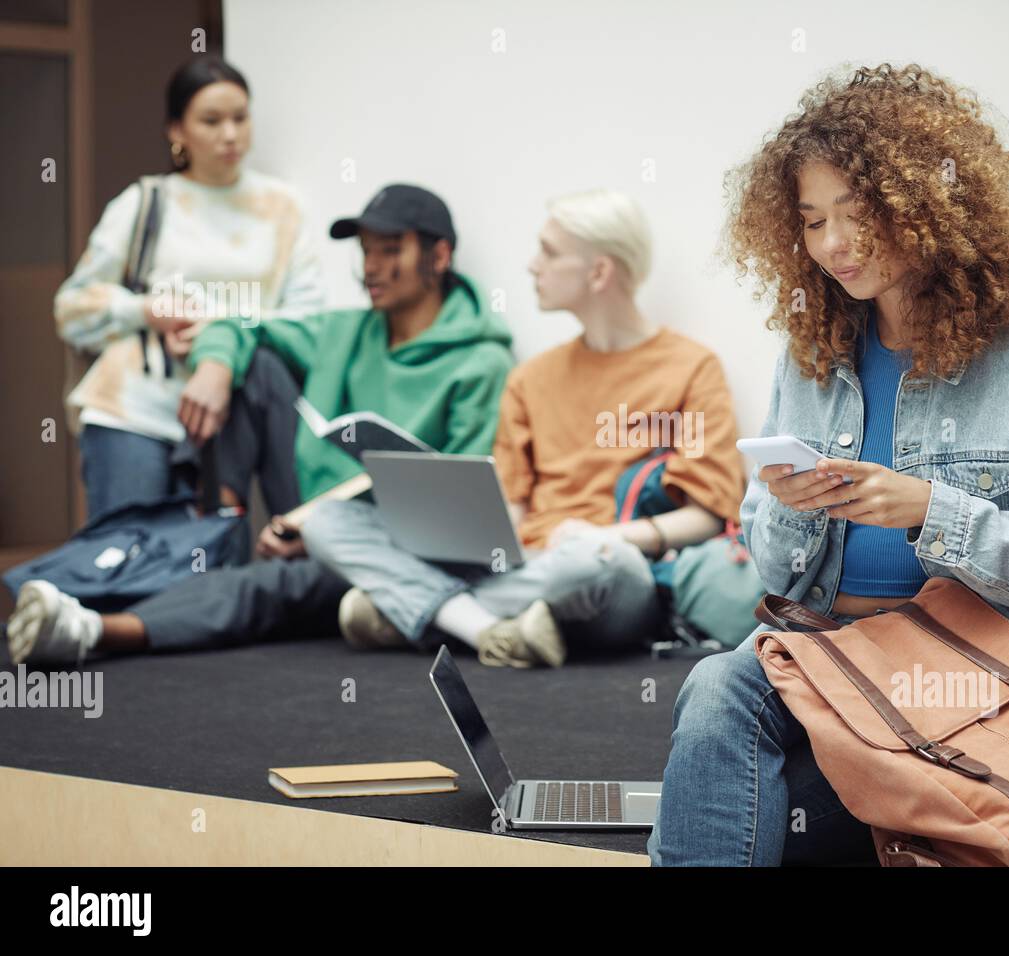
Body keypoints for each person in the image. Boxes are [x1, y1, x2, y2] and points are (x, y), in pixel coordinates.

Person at [647, 63, 1009, 866]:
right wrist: (790, 501)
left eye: (858, 214)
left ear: (931, 205)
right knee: (718, 686)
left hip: (976, 671)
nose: (833, 245)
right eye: (812, 221)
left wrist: (930, 509)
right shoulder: (809, 357)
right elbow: (773, 569)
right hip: (837, 656)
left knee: (774, 826)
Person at [8, 185, 513, 666]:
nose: (371, 268)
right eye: (365, 252)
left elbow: (459, 519)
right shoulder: (344, 330)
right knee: (257, 364)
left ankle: (92, 630)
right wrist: (215, 367)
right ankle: (220, 522)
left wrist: (322, 533)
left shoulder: (482, 363)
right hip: (306, 512)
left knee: (268, 587)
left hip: (385, 547)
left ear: (439, 257)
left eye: (388, 250)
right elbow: (239, 325)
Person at [300, 188, 746, 667]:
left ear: (599, 272)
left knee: (600, 564)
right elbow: (510, 510)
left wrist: (609, 536)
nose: (533, 265)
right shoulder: (530, 379)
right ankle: (491, 629)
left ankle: (432, 615)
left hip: (606, 570)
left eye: (549, 252)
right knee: (328, 521)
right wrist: (460, 539)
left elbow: (706, 516)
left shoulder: (692, 367)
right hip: (524, 564)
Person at [54, 54, 323, 523]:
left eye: (240, 118)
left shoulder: (283, 207)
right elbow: (72, 309)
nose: (230, 135)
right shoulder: (146, 201)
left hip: (229, 415)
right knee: (129, 566)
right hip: (133, 409)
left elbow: (307, 322)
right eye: (211, 121)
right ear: (177, 130)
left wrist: (219, 332)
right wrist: (149, 310)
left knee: (214, 574)